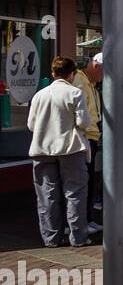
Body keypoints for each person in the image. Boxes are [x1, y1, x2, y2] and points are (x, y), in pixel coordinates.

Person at [27, 56, 92, 247]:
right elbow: (84, 122)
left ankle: (51, 238)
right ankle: (78, 237)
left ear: (53, 74)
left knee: (47, 195)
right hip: (70, 148)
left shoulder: (39, 95)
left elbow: (31, 125)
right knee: (75, 193)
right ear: (72, 74)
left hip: (42, 149)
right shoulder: (75, 93)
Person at [72, 52, 103, 234]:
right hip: (84, 137)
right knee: (84, 181)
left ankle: (88, 218)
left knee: (90, 179)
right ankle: (81, 221)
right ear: (95, 66)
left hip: (92, 135)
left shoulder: (92, 84)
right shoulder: (80, 82)